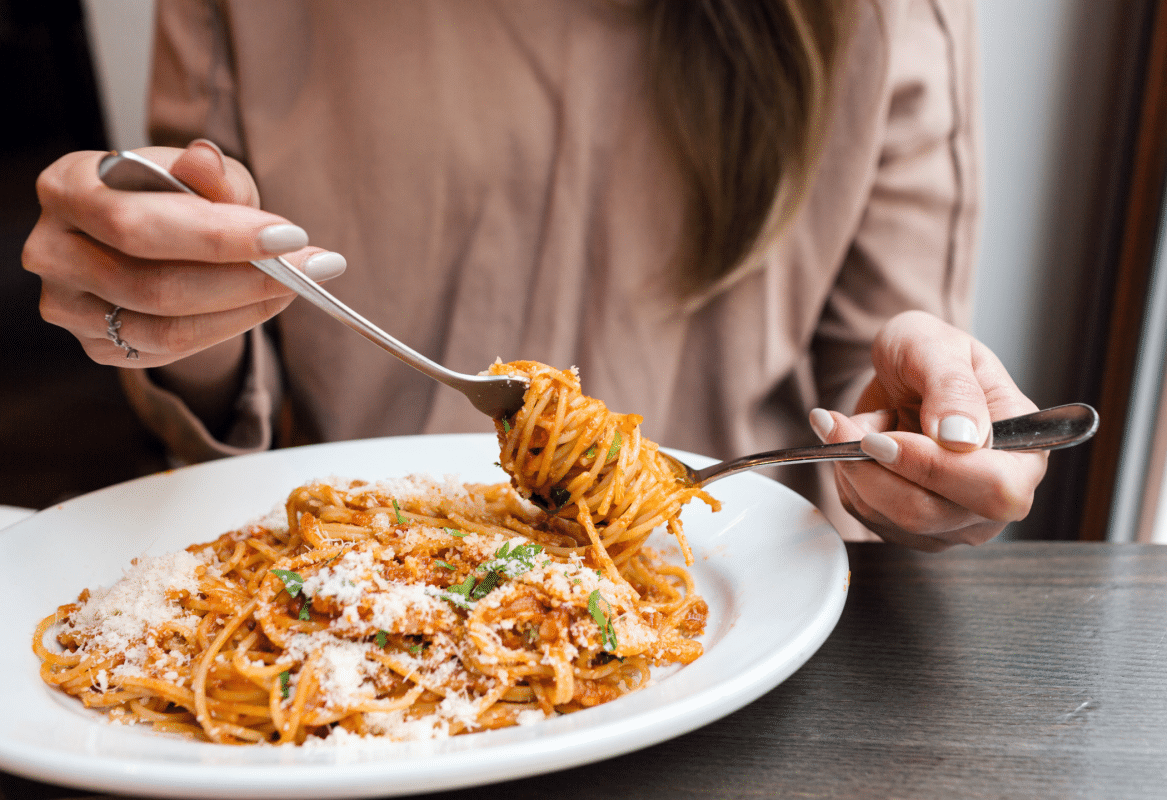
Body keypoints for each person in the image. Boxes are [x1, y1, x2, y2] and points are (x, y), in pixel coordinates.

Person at [22, 0, 1046, 551]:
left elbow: (878, 396)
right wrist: (167, 312)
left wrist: (921, 465)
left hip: (729, 617)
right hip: (346, 588)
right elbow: (221, 388)